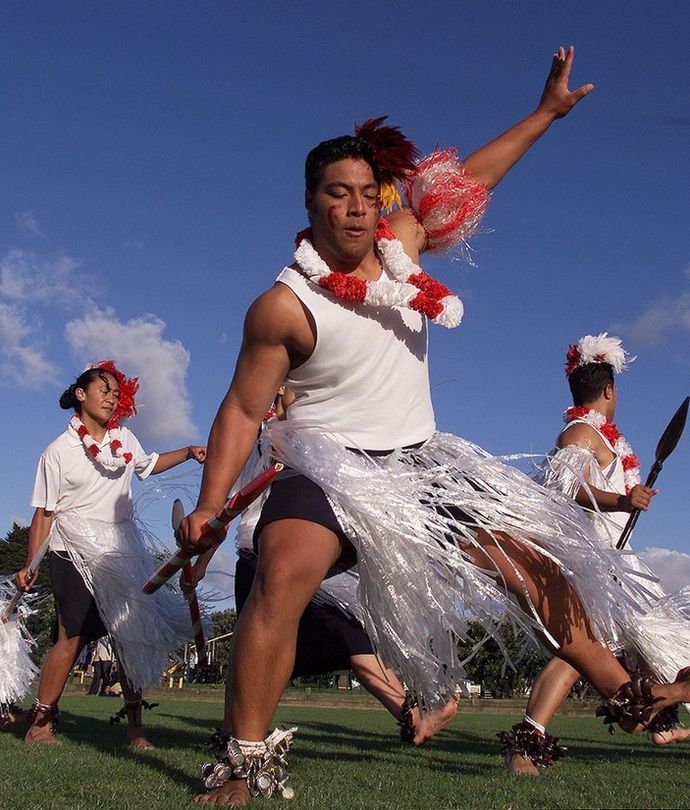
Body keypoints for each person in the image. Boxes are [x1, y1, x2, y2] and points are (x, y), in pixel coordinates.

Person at [179, 48, 690, 806]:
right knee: (282, 576)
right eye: (337, 194)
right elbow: (243, 409)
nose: (356, 208)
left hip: (421, 465)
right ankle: (242, 762)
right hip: (326, 466)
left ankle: (628, 693)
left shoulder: (402, 248)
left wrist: (545, 114)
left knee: (531, 566)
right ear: (311, 203)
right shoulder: (283, 306)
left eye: (366, 194)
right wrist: (209, 502)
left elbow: (473, 179)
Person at [502, 334, 690, 776]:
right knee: (578, 654)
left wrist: (623, 501)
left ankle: (661, 720)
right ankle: (524, 748)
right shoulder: (581, 432)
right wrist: (622, 502)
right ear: (608, 390)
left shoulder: (597, 436)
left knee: (626, 646)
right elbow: (569, 489)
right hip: (602, 565)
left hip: (616, 564)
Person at [14, 361, 206, 747]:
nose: (112, 397)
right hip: (72, 549)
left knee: (127, 636)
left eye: (117, 392)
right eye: (104, 389)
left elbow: (147, 466)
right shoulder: (59, 451)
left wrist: (187, 451)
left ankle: (135, 731)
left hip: (120, 549)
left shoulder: (124, 439)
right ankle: (40, 724)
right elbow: (44, 513)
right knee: (73, 634)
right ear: (81, 395)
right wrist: (30, 562)